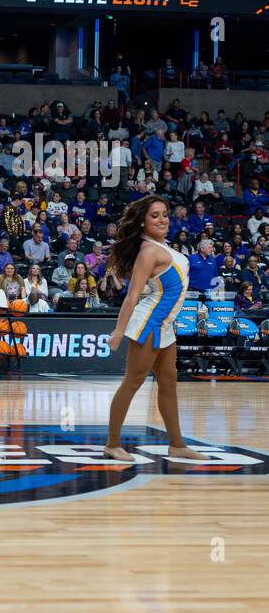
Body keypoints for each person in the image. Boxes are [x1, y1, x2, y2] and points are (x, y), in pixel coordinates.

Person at [103, 195, 203, 462]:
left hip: (165, 327)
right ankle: (112, 444)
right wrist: (118, 331)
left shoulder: (162, 248)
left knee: (169, 384)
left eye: (165, 214)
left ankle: (177, 444)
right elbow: (132, 296)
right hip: (149, 324)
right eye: (154, 215)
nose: (162, 220)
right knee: (132, 382)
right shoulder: (148, 252)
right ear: (143, 222)